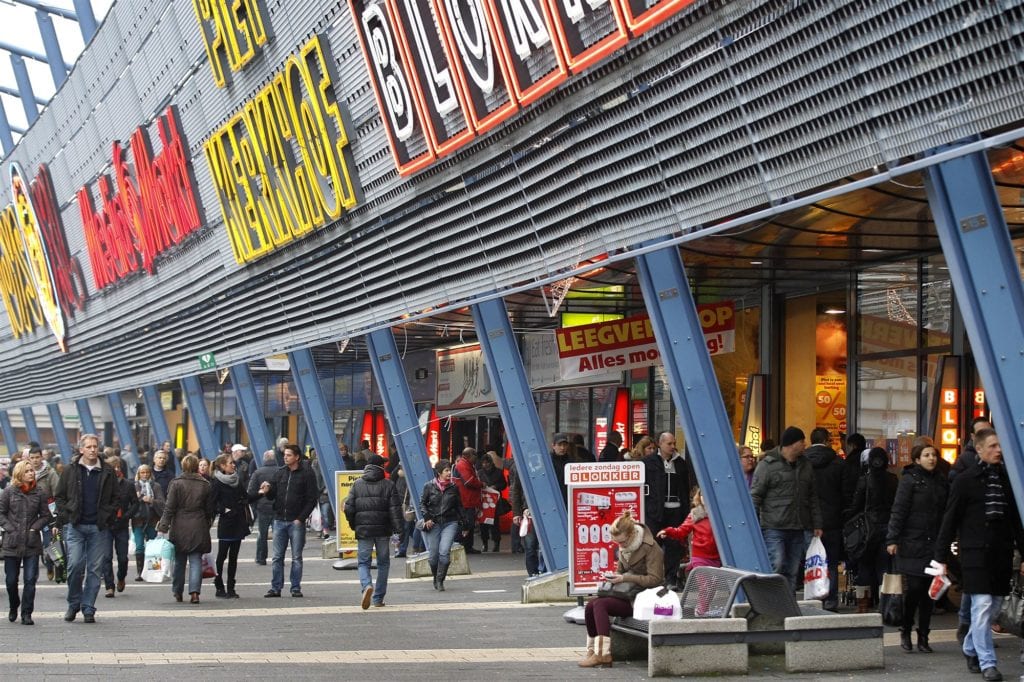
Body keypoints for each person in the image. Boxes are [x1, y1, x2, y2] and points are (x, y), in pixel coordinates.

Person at [935, 428, 1024, 681]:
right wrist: (940, 556)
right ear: (981, 449)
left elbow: (1016, 522)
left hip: (1001, 553)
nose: (998, 450)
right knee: (982, 606)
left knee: (994, 608)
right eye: (994, 446)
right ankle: (988, 663)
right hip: (975, 554)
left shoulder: (1007, 479)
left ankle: (969, 647)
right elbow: (950, 519)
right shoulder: (965, 480)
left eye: (1000, 446)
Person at [579, 510, 664, 668]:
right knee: (591, 604)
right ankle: (592, 650)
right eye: (617, 543)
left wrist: (625, 578)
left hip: (644, 599)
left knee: (600, 605)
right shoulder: (625, 547)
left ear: (632, 535)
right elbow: (620, 571)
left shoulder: (652, 548)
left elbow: (655, 579)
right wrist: (614, 576)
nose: (620, 546)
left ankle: (603, 654)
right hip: (626, 594)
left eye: (623, 542)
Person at [886, 443, 948, 653]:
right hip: (912, 542)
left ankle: (923, 636)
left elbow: (946, 512)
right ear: (917, 459)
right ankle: (906, 628)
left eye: (934, 455)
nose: (931, 458)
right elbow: (899, 510)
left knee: (930, 593)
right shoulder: (909, 481)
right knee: (914, 589)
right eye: (926, 455)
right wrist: (892, 539)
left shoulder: (941, 480)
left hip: (933, 544)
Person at [750, 426, 823, 593]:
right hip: (774, 526)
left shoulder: (806, 465)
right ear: (791, 444)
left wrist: (817, 524)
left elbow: (812, 497)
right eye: (801, 441)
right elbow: (755, 496)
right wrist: (753, 524)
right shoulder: (767, 465)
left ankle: (787, 605)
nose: (805, 444)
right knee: (777, 564)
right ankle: (772, 602)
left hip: (798, 526)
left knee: (792, 569)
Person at [55, 434, 117, 624]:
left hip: (98, 527)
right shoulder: (70, 470)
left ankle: (88, 607)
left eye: (95, 446)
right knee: (74, 565)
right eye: (88, 446)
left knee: (94, 570)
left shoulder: (107, 471)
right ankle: (74, 603)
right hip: (76, 526)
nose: (92, 449)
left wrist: (107, 515)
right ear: (81, 449)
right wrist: (66, 516)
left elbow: (116, 497)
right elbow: (59, 496)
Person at [257, 443, 318, 598]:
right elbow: (273, 496)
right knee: (277, 556)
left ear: (297, 457)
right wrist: (267, 491)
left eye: (289, 455)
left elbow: (312, 498)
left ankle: (295, 587)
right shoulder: (280, 473)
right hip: (279, 520)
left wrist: (301, 518)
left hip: (295, 521)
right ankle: (275, 587)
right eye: (284, 454)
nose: (285, 457)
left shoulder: (306, 474)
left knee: (296, 557)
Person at [344, 454, 402, 609]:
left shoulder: (357, 484)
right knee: (383, 563)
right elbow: (395, 510)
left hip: (364, 530)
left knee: (363, 562)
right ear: (381, 467)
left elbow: (348, 508)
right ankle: (378, 598)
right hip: (383, 530)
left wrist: (353, 524)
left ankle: (366, 585)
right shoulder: (389, 485)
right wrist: (399, 530)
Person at [803, 427, 850, 611]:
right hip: (832, 519)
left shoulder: (802, 462)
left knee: (810, 559)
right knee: (831, 560)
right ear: (828, 440)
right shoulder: (838, 463)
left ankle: (811, 597)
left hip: (808, 519)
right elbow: (846, 494)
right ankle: (830, 599)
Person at [846, 446, 897, 612]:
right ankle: (885, 605)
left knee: (864, 566)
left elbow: (856, 505)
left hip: (867, 529)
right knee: (884, 567)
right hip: (887, 527)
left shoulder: (865, 480)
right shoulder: (893, 479)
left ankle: (863, 605)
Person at [0, 460, 51, 625]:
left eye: (32, 471)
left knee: (30, 580)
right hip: (12, 542)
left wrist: (34, 529)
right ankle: (14, 605)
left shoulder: (40, 492)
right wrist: (10, 529)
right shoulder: (9, 492)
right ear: (19, 473)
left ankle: (27, 613)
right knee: (10, 580)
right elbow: (1, 514)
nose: (31, 473)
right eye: (27, 471)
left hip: (31, 543)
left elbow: (46, 516)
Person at [158, 454, 213, 604]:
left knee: (180, 561)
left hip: (180, 525)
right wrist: (207, 523)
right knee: (195, 560)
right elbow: (209, 509)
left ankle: (177, 591)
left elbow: (169, 508)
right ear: (196, 466)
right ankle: (195, 593)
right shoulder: (205, 484)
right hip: (198, 524)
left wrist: (163, 525)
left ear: (183, 466)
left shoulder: (176, 483)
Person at [642, 431, 693, 588]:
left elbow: (686, 487)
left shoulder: (681, 464)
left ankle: (671, 578)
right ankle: (654, 579)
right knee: (653, 546)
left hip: (676, 510)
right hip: (656, 511)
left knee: (674, 546)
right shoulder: (648, 463)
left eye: (674, 443)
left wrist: (685, 510)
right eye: (669, 443)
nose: (672, 446)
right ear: (660, 444)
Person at [210, 453, 250, 598]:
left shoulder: (237, 481)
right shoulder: (217, 483)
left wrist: (261, 492)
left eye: (234, 463)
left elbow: (246, 497)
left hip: (238, 523)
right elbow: (211, 504)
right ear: (222, 466)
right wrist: (223, 510)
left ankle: (231, 588)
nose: (234, 465)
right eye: (230, 463)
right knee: (221, 557)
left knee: (234, 558)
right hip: (226, 524)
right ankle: (219, 585)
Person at [420, 460, 462, 591]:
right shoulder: (429, 486)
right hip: (434, 523)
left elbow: (459, 506)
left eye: (450, 470)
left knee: (444, 552)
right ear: (439, 473)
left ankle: (440, 580)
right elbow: (422, 503)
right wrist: (427, 517)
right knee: (433, 557)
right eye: (446, 471)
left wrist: (465, 523)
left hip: (450, 522)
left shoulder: (454, 487)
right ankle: (435, 576)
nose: (449, 473)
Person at [657, 487, 720, 570]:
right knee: (705, 583)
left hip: (719, 558)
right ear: (699, 497)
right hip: (700, 558)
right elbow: (681, 531)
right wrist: (667, 531)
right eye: (702, 495)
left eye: (707, 494)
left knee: (718, 583)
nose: (705, 497)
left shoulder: (720, 515)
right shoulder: (695, 514)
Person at [103, 456, 136, 598]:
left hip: (121, 524)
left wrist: (126, 516)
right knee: (106, 557)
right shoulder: (103, 484)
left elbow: (135, 503)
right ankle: (109, 586)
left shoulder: (128, 484)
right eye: (113, 467)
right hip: (106, 525)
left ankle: (121, 577)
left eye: (118, 467)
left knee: (122, 558)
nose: (116, 469)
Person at [27, 445, 58, 581]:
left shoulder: (50, 473)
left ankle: (50, 564)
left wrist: (57, 512)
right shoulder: (26, 471)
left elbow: (57, 492)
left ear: (42, 457)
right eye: (32, 458)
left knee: (49, 544)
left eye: (37, 457)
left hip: (47, 513)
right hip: (29, 514)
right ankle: (32, 574)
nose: (35, 460)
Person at [509, 461, 545, 576]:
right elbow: (516, 490)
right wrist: (517, 512)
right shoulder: (521, 466)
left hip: (537, 509)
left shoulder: (546, 464)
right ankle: (533, 573)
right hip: (528, 511)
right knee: (531, 546)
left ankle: (539, 571)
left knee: (537, 545)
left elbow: (515, 490)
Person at [131, 464, 164, 582]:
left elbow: (162, 503)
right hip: (138, 520)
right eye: (142, 473)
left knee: (152, 548)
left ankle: (153, 571)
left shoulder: (156, 486)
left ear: (150, 474)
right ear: (138, 474)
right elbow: (130, 503)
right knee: (139, 546)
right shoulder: (134, 486)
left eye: (147, 472)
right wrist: (138, 498)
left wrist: (151, 500)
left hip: (152, 520)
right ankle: (140, 573)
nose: (145, 475)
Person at [246, 450, 278, 565]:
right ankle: (278, 557)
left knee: (262, 534)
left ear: (264, 459)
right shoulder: (280, 471)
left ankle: (261, 558)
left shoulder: (258, 473)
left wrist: (255, 505)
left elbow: (251, 491)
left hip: (262, 507)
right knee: (278, 534)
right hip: (277, 507)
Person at [453, 447, 483, 554]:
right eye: (475, 456)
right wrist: (481, 484)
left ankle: (468, 546)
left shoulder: (465, 464)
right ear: (470, 455)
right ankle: (459, 545)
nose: (476, 458)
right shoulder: (463, 465)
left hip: (468, 499)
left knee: (470, 523)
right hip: (465, 500)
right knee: (466, 523)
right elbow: (469, 481)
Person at [477, 451, 507, 552]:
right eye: (483, 463)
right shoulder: (479, 473)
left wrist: (496, 486)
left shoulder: (498, 472)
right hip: (483, 500)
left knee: (495, 524)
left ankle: (496, 543)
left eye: (487, 462)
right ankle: (484, 543)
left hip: (495, 501)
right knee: (483, 524)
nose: (485, 465)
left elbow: (504, 484)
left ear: (491, 463)